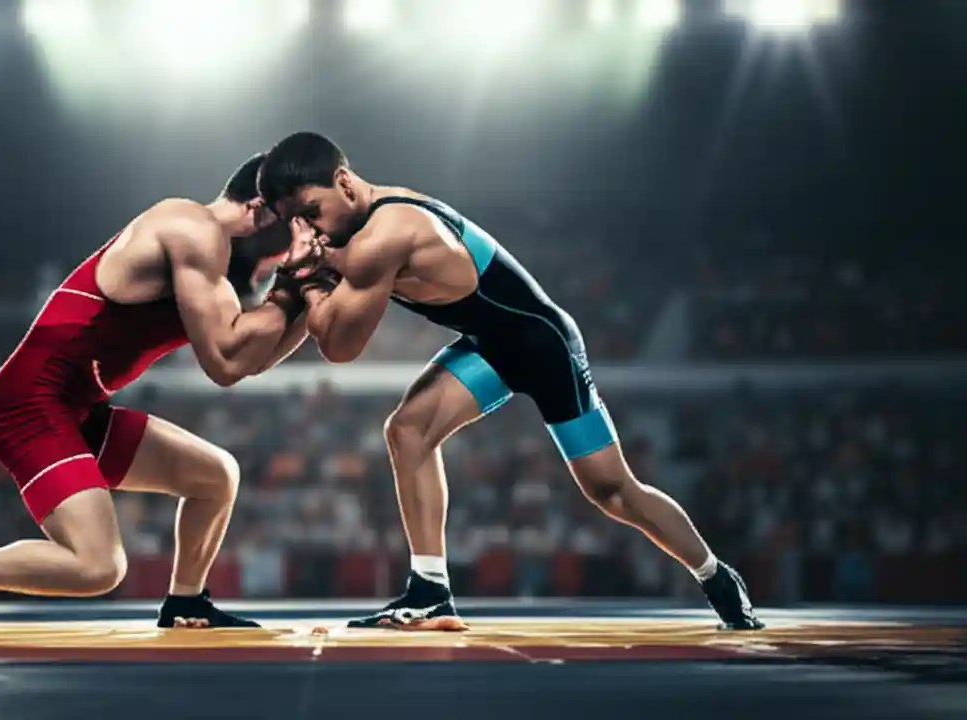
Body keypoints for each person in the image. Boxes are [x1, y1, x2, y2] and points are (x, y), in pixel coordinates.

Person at [257, 132, 763, 631]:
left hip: (544, 345)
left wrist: (308, 275)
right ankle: (431, 592)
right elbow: (330, 327)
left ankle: (715, 575)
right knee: (407, 430)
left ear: (344, 183)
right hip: (490, 344)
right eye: (293, 222)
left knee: (611, 491)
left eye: (311, 212)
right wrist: (317, 269)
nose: (307, 229)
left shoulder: (387, 233)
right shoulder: (349, 233)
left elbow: (340, 347)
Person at [0, 153, 313, 635]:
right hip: (27, 403)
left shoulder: (217, 281)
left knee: (215, 476)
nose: (305, 234)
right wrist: (298, 286)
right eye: (300, 220)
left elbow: (249, 361)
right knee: (98, 566)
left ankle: (186, 603)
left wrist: (307, 297)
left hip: (76, 408)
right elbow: (224, 364)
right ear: (259, 206)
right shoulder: (187, 225)